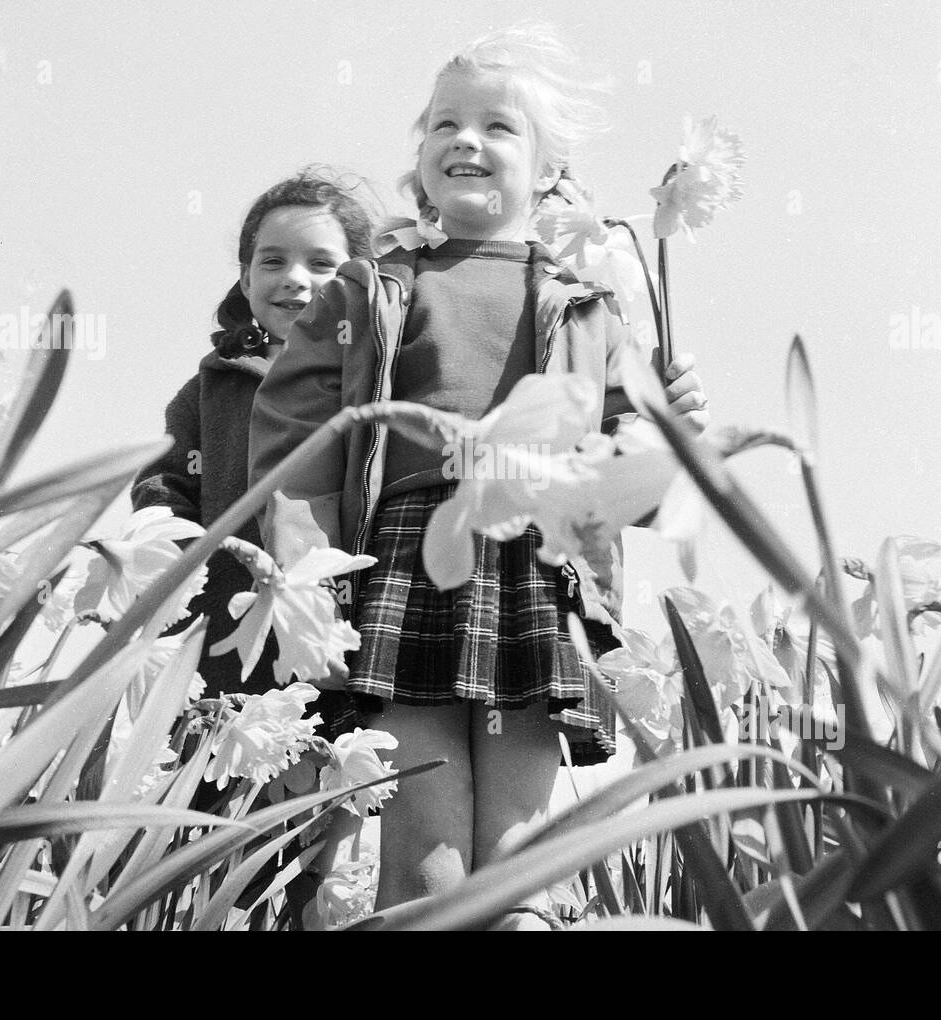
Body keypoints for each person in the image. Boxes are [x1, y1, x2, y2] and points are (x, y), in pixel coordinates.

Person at [248, 26, 709, 929]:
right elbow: (296, 427)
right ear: (420, 160)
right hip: (403, 562)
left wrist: (673, 436)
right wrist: (303, 564)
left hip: (538, 565)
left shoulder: (590, 308)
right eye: (445, 124)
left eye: (498, 126)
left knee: (519, 850)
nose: (467, 140)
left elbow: (636, 486)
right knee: (425, 844)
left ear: (546, 172)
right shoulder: (371, 289)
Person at [131, 166, 378, 927]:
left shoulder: (370, 379)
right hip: (226, 650)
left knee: (319, 839)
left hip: (339, 649)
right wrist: (179, 538)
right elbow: (162, 483)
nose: (294, 279)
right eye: (272, 260)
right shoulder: (215, 386)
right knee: (217, 828)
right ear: (243, 276)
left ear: (360, 283)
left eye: (322, 264)